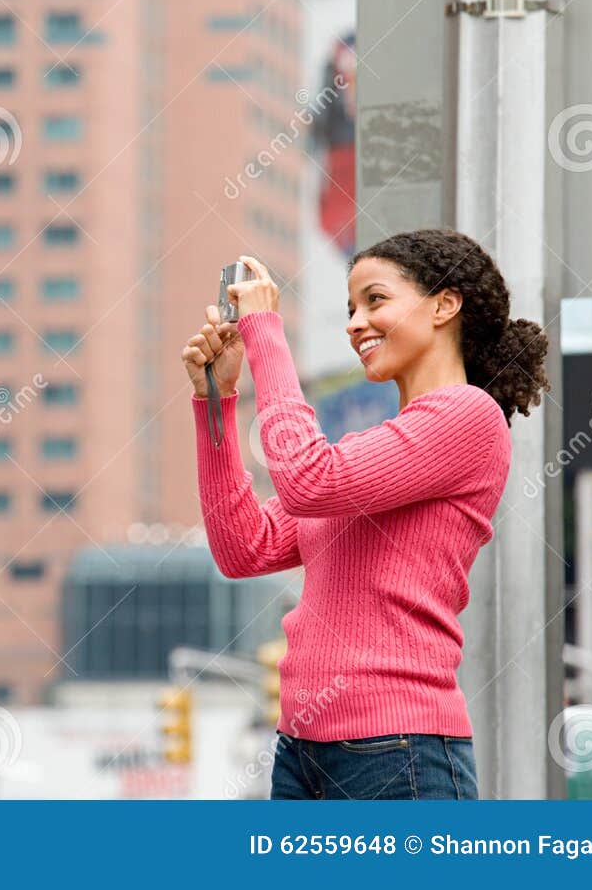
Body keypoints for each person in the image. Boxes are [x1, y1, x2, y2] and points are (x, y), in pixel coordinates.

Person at [181, 231, 549, 800]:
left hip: (397, 749)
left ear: (445, 305)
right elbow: (243, 547)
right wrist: (215, 401)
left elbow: (307, 480)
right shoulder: (377, 451)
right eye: (352, 308)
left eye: (375, 301)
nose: (355, 323)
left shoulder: (468, 417)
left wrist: (264, 334)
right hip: (301, 750)